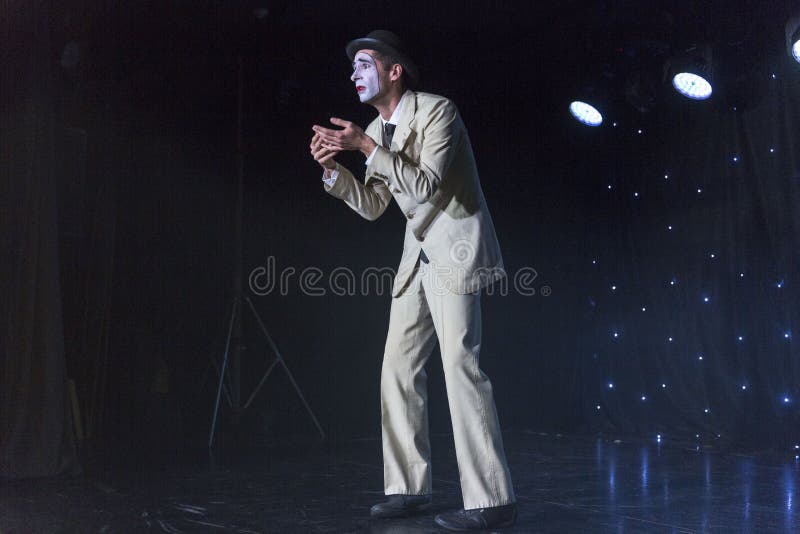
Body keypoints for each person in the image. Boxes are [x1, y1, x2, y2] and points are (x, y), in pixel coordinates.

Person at [309, 30, 517, 531]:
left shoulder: (437, 112)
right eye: (353, 68)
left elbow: (425, 185)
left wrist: (363, 144)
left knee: (459, 365)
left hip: (456, 249)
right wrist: (337, 174)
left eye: (363, 65)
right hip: (416, 260)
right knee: (396, 371)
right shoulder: (376, 132)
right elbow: (377, 205)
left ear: (393, 70)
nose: (354, 75)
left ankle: (492, 498)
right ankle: (407, 489)